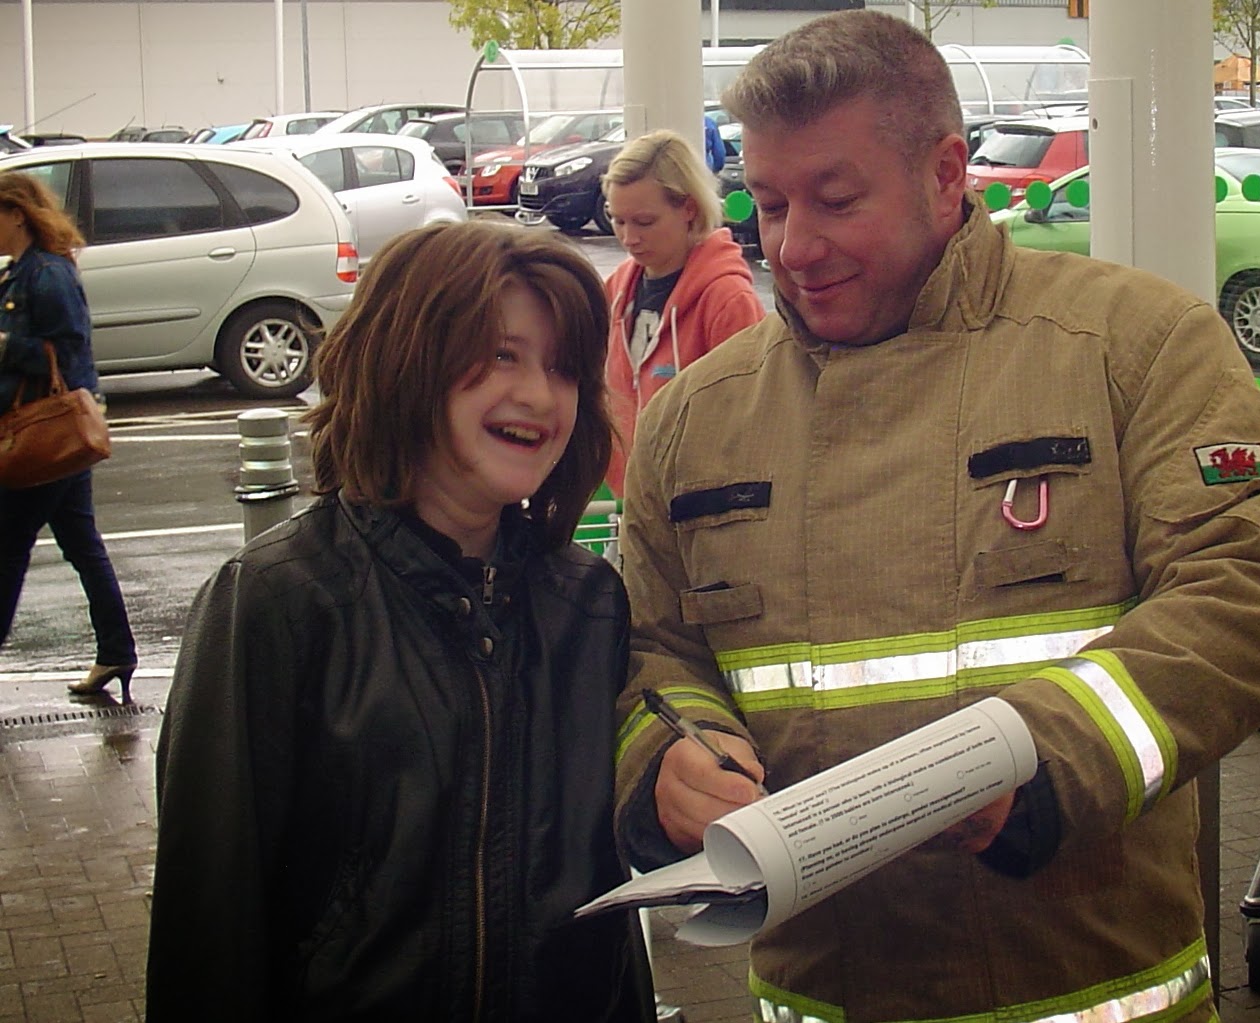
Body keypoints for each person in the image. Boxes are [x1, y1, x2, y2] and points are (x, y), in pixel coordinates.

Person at [613, 11, 1260, 1023]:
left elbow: (1244, 594)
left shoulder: (1131, 346)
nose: (793, 246)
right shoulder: (690, 420)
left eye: (835, 198)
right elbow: (649, 646)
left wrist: (1040, 758)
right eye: (766, 204)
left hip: (1087, 981)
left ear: (946, 174)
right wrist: (671, 756)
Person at [147, 221, 653, 1022]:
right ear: (407, 358)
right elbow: (210, 923)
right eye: (500, 355)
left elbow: (609, 908)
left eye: (562, 368)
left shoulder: (586, 603)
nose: (536, 396)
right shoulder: (278, 600)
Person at [0, 172, 137, 703]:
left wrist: (8, 347)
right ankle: (117, 651)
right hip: (53, 439)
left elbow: (70, 351)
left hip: (46, 435)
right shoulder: (21, 274)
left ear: (17, 214)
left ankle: (117, 651)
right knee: (82, 545)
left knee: (7, 548)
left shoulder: (49, 274)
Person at [601, 128, 764, 497]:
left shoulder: (727, 299)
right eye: (617, 220)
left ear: (688, 208)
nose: (628, 238)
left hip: (699, 505)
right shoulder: (615, 289)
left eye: (644, 222)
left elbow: (751, 421)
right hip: (630, 500)